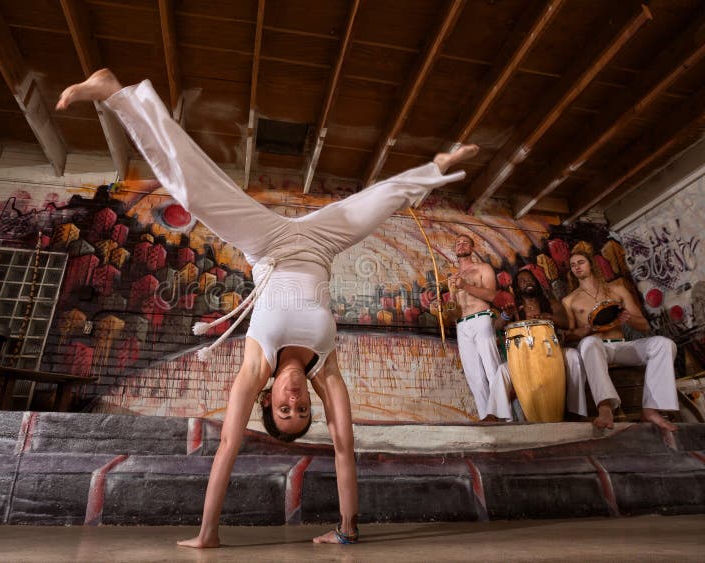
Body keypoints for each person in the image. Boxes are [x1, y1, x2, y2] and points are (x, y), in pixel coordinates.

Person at [56, 69, 479, 547]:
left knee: (192, 192)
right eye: (301, 408)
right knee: (380, 201)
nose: (294, 397)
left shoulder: (256, 365)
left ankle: (116, 94)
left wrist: (208, 534)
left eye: (283, 407)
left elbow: (228, 447)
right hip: (321, 244)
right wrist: (347, 530)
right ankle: (437, 166)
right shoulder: (326, 371)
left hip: (267, 244)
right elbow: (344, 449)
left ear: (267, 398)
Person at [562, 250, 679, 431]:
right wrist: (587, 329)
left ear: (591, 264)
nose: (576, 267)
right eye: (573, 265)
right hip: (596, 348)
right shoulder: (569, 300)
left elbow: (643, 325)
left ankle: (651, 409)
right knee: (589, 343)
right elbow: (570, 336)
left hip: (621, 346)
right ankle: (605, 407)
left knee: (664, 344)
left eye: (581, 262)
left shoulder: (617, 289)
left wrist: (627, 319)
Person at [494, 268, 588, 419]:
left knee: (573, 356)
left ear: (536, 283)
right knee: (502, 370)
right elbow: (497, 326)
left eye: (530, 279)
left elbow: (566, 323)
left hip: (552, 353)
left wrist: (549, 317)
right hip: (524, 358)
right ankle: (496, 415)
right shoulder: (516, 309)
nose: (528, 282)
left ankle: (576, 410)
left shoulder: (551, 304)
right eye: (523, 281)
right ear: (517, 288)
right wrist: (506, 315)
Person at [448, 235, 510, 421]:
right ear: (455, 249)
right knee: (474, 376)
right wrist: (451, 293)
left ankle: (504, 416)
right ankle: (486, 417)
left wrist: (465, 285)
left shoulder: (483, 268)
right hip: (461, 324)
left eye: (465, 242)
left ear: (472, 248)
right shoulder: (453, 277)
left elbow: (492, 296)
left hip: (481, 318)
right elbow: (453, 312)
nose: (461, 245)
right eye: (458, 243)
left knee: (492, 368)